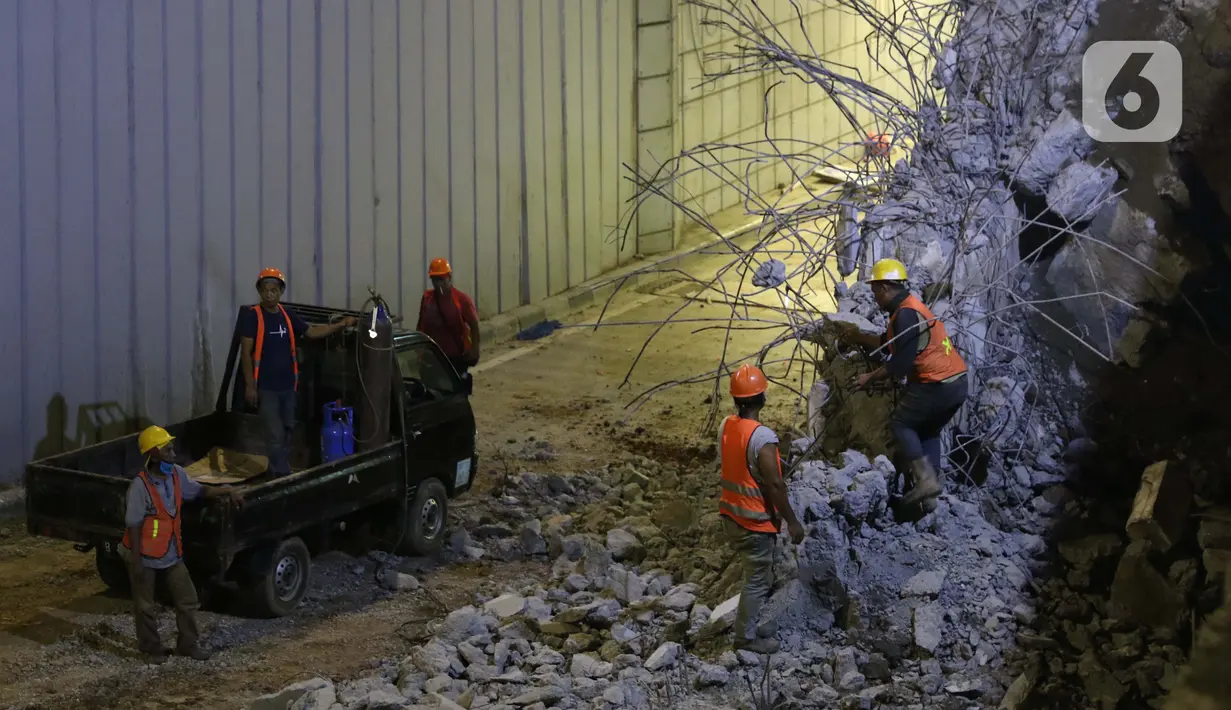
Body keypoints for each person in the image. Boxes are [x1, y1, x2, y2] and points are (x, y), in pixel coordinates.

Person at [834, 258, 969, 509]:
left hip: (938, 384)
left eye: (875, 291)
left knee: (902, 423)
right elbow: (887, 342)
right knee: (928, 429)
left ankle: (925, 480)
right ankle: (930, 496)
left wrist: (869, 378)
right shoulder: (909, 309)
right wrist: (858, 337)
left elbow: (899, 365)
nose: (874, 298)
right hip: (957, 383)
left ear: (885, 288)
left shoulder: (906, 315)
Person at [122, 425, 242, 663]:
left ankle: (188, 645)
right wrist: (136, 561)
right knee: (145, 606)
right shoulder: (140, 487)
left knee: (187, 599)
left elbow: (198, 492)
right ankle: (150, 649)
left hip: (170, 551)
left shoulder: (176, 474)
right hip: (143, 554)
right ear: (153, 454)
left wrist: (227, 490)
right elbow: (133, 525)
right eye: (168, 450)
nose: (173, 453)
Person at [718, 364, 806, 655]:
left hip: (730, 515)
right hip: (753, 520)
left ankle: (750, 624)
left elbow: (744, 468)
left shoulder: (727, 426)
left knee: (753, 575)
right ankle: (745, 639)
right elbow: (775, 486)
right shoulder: (763, 438)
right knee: (757, 578)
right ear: (763, 397)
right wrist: (792, 522)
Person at [239, 267, 356, 477]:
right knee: (274, 434)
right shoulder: (253, 317)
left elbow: (311, 331)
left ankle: (279, 470)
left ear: (280, 291)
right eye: (265, 290)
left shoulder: (286, 315)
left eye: (274, 290)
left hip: (288, 387)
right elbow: (245, 353)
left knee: (287, 431)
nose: (269, 294)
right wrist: (250, 385)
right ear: (259, 291)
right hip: (266, 388)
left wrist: (339, 325)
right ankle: (280, 476)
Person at [416, 258, 481, 375]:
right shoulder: (427, 299)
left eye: (441, 279)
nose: (438, 284)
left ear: (449, 277)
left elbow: (474, 325)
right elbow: (421, 325)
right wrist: (419, 351)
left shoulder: (461, 300)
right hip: (432, 356)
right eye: (434, 280)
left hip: (454, 356)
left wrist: (474, 350)